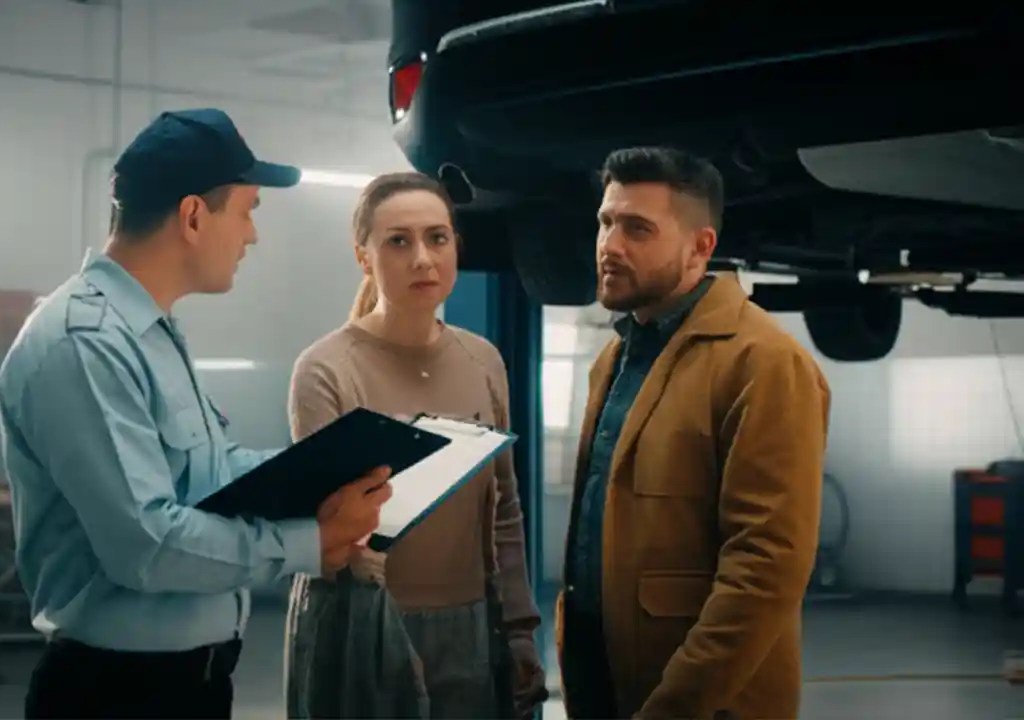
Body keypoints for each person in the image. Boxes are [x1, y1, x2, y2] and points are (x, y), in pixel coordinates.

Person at [0, 108, 393, 720]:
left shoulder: (148, 331)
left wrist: (328, 471)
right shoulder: (85, 343)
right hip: (118, 695)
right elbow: (147, 546)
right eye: (248, 210)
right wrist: (307, 544)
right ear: (193, 216)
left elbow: (209, 473)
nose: (253, 236)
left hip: (191, 683)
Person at [556, 147, 830, 719]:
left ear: (700, 247)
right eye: (606, 222)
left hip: (703, 704)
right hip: (603, 682)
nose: (610, 245)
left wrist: (675, 707)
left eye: (637, 229)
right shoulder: (615, 359)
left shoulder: (763, 363)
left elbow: (766, 566)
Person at [283, 172, 548, 719]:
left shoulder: (483, 361)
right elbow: (327, 531)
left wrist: (521, 630)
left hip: (471, 630)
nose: (423, 258)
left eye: (437, 238)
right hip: (362, 625)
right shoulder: (327, 370)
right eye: (399, 241)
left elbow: (504, 511)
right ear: (364, 257)